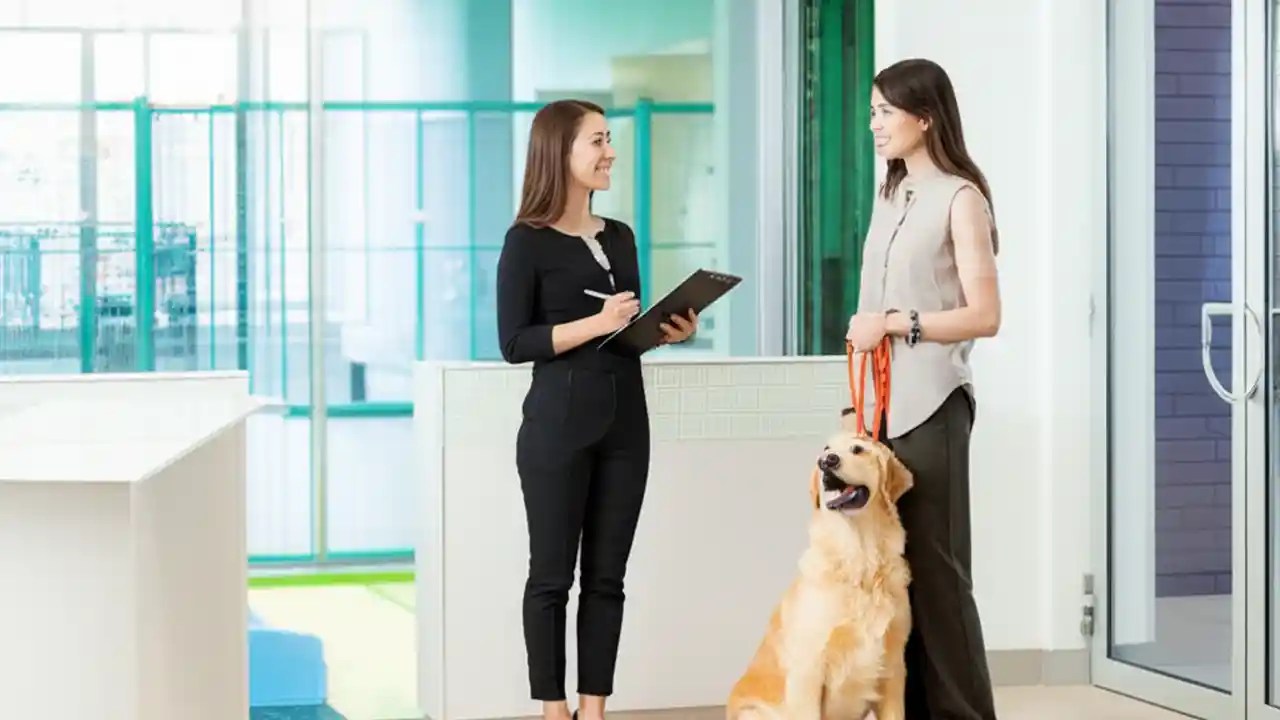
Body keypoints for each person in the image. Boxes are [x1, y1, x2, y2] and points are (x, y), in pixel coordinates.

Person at [495, 99, 698, 720]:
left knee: (608, 578)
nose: (611, 152)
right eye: (598, 141)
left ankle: (595, 708)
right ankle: (554, 711)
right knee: (551, 578)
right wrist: (595, 323)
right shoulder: (526, 242)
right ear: (560, 152)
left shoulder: (620, 236)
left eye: (610, 139)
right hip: (557, 425)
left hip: (626, 422)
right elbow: (514, 342)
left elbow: (622, 336)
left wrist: (665, 331)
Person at [844, 58, 1002, 720]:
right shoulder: (891, 195)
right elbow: (866, 312)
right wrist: (855, 409)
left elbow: (984, 316)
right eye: (871, 112)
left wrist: (897, 323)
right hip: (878, 412)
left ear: (926, 117)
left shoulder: (961, 199)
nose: (874, 125)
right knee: (892, 580)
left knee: (939, 577)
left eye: (885, 112)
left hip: (932, 407)